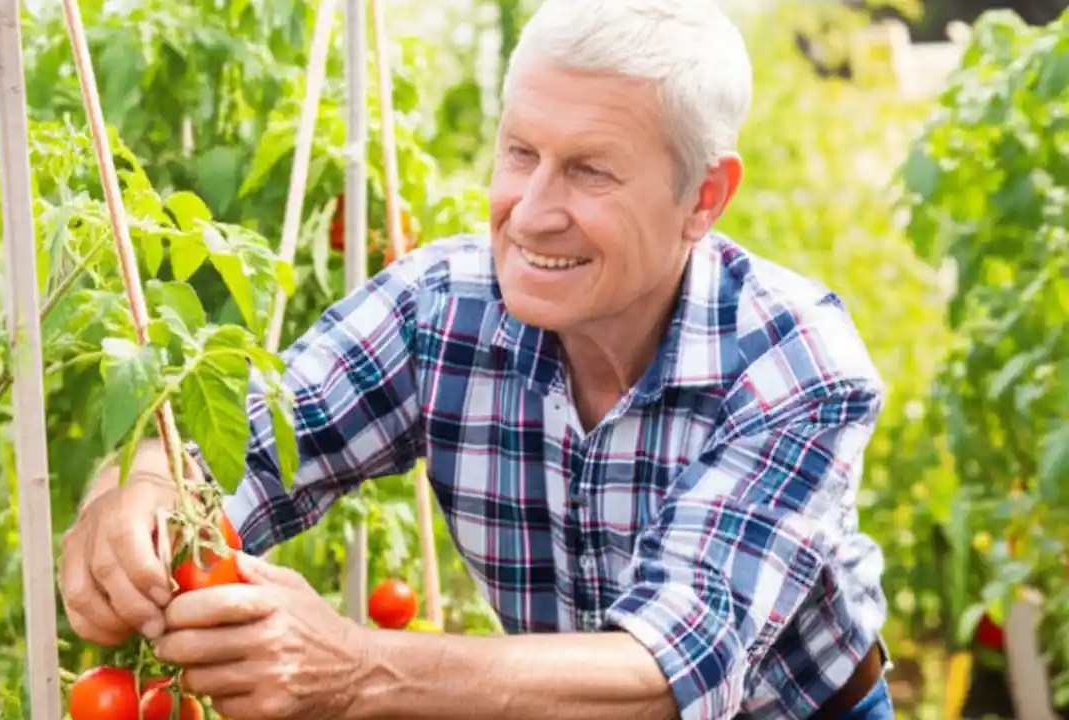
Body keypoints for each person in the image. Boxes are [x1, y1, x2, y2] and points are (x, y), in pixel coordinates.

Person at [58, 0, 895, 717]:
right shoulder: (440, 306)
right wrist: (142, 493)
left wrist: (355, 668)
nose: (530, 214)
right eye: (520, 154)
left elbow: (673, 672)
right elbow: (243, 447)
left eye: (590, 172)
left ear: (703, 197)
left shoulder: (794, 365)